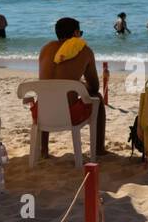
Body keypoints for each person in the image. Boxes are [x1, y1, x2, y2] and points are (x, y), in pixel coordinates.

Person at [36, 17, 106, 157]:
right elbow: (95, 86)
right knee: (97, 97)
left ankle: (44, 150)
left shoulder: (45, 49)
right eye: (81, 32)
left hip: (41, 112)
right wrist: (79, 84)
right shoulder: (85, 51)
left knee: (47, 97)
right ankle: (99, 149)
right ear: (75, 33)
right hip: (69, 114)